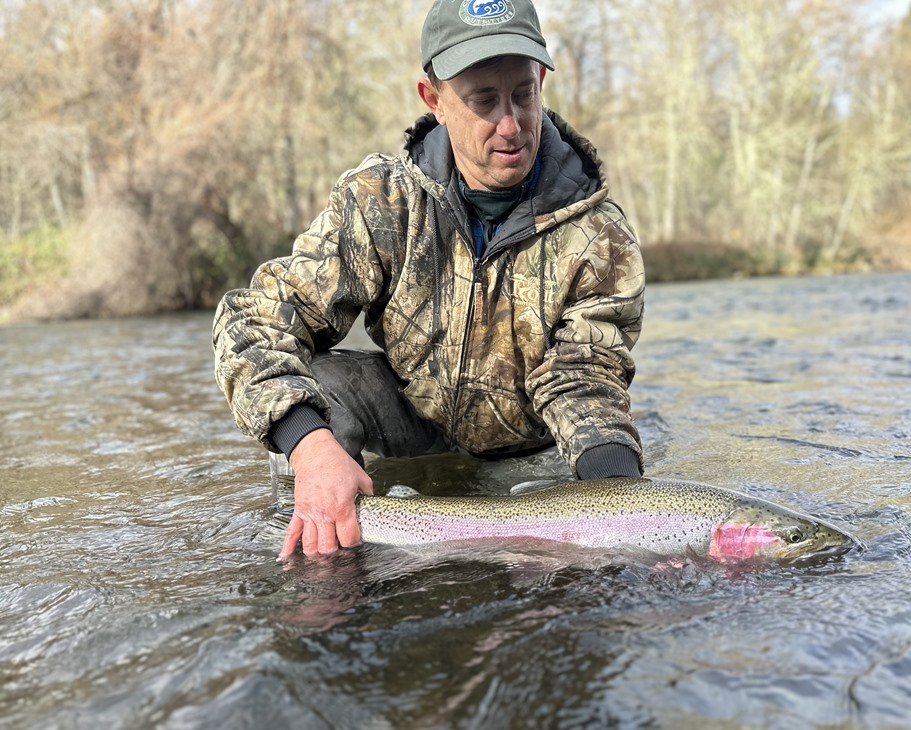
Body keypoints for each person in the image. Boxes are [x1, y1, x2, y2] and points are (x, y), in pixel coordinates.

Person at [212, 0, 645, 561]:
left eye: (523, 94)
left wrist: (622, 505)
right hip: (410, 419)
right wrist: (308, 443)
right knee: (316, 381)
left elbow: (586, 378)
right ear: (434, 101)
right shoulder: (382, 204)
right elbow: (251, 322)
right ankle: (322, 537)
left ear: (541, 81)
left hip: (531, 448)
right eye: (484, 101)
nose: (510, 124)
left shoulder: (599, 235)